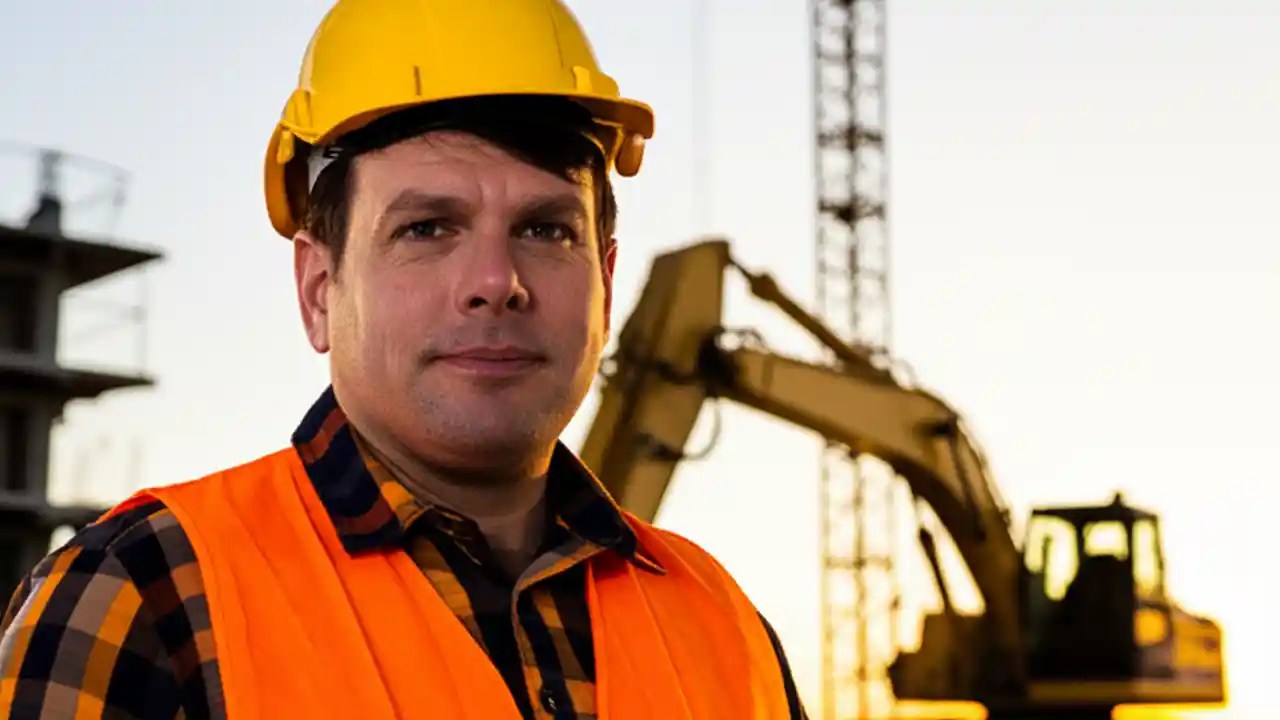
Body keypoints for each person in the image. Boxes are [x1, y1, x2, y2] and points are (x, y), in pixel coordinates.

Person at [0, 1, 809, 718]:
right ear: (320, 289)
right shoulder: (142, 596)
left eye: (546, 229)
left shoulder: (723, 626)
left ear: (605, 283)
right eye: (426, 228)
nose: (496, 282)